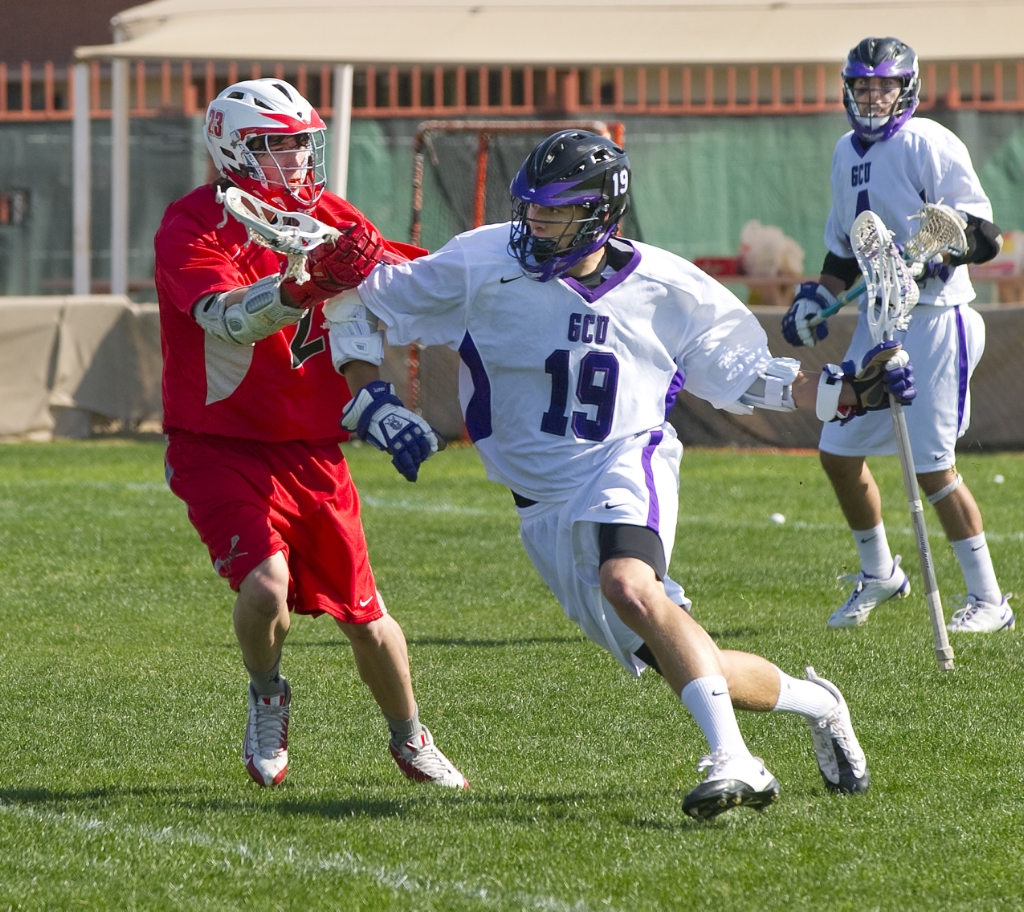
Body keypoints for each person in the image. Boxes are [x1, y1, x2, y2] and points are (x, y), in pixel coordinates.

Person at [328, 130, 917, 820]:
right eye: (532, 209)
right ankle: (819, 703)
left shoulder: (671, 289)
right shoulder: (483, 259)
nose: (536, 224)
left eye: (555, 212)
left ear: (601, 213)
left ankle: (736, 762)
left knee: (629, 584)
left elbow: (746, 379)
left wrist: (842, 392)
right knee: (689, 657)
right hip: (540, 505)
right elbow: (362, 300)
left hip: (622, 456)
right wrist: (368, 394)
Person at [154, 78, 466, 790]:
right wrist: (300, 289)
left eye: (302, 144)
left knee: (366, 616)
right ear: (234, 148)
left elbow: (395, 275)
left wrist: (489, 275)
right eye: (277, 146)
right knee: (266, 586)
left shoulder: (329, 214)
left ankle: (410, 735)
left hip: (313, 447)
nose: (296, 160)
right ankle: (268, 693)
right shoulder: (192, 224)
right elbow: (226, 317)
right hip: (217, 441)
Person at [782, 37, 1011, 634]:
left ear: (905, 88)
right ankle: (880, 572)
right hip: (881, 318)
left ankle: (990, 601)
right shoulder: (843, 152)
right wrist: (818, 297)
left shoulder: (928, 141)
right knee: (836, 451)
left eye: (883, 85)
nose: (873, 96)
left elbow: (986, 235)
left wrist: (943, 256)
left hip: (938, 319)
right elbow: (842, 253)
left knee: (932, 468)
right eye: (863, 86)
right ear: (848, 90)